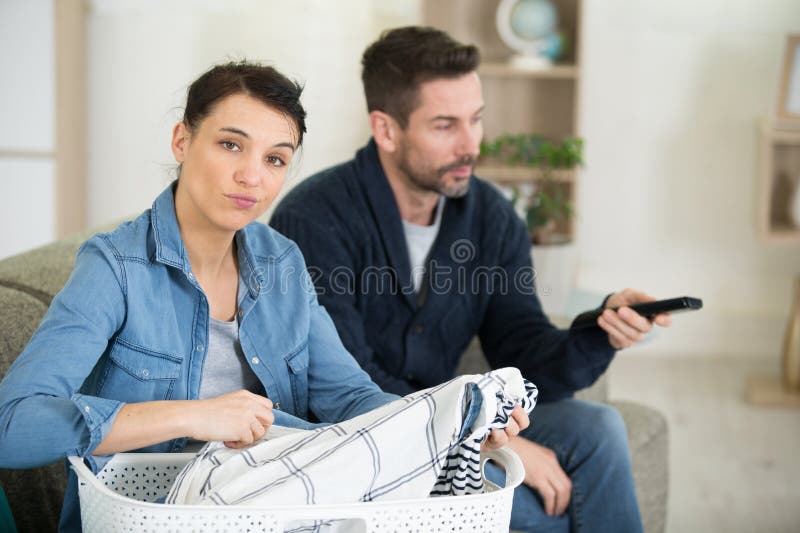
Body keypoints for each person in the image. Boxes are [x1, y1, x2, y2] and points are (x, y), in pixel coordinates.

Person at [0, 61, 528, 533]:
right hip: (154, 515)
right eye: (231, 144)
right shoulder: (115, 268)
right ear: (182, 141)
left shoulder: (282, 264)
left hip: (278, 510)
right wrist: (193, 415)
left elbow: (353, 400)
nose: (252, 175)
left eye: (276, 159)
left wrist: (448, 429)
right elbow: (13, 426)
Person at [270, 27, 672, 533]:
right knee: (547, 516)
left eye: (476, 120)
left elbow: (522, 348)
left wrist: (600, 329)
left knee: (599, 427)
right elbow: (348, 388)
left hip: (460, 419)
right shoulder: (313, 220)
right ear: (386, 129)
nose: (470, 145)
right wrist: (479, 437)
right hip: (362, 444)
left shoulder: (491, 216)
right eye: (445, 125)